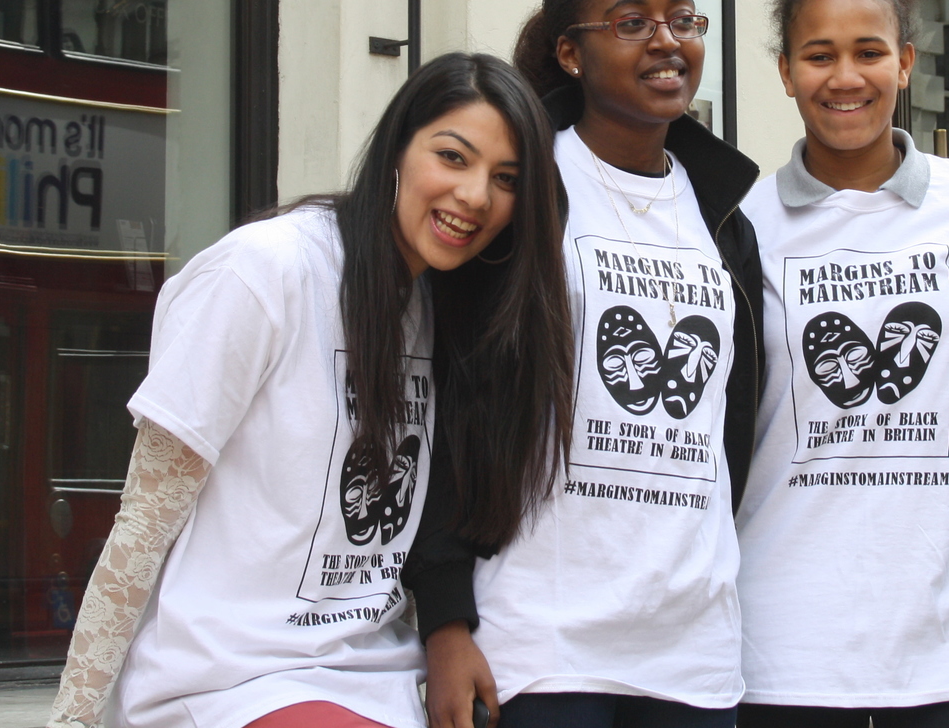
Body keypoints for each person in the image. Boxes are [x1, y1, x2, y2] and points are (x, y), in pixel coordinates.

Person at [45, 52, 573, 728]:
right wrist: (74, 717)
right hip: (233, 680)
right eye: (452, 157)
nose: (475, 196)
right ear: (397, 150)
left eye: (506, 180)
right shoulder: (265, 272)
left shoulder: (438, 306)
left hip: (373, 678)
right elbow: (144, 519)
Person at [408, 0, 765, 728]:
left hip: (692, 646)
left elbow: (730, 424)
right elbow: (452, 398)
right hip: (541, 639)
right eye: (632, 23)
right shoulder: (523, 190)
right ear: (571, 52)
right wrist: (445, 618)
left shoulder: (724, 218)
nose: (667, 41)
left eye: (683, 20)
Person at [732, 0, 949, 728]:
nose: (846, 77)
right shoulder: (740, 226)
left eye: (868, 52)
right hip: (787, 651)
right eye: (819, 55)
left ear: (905, 61)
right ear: (786, 72)